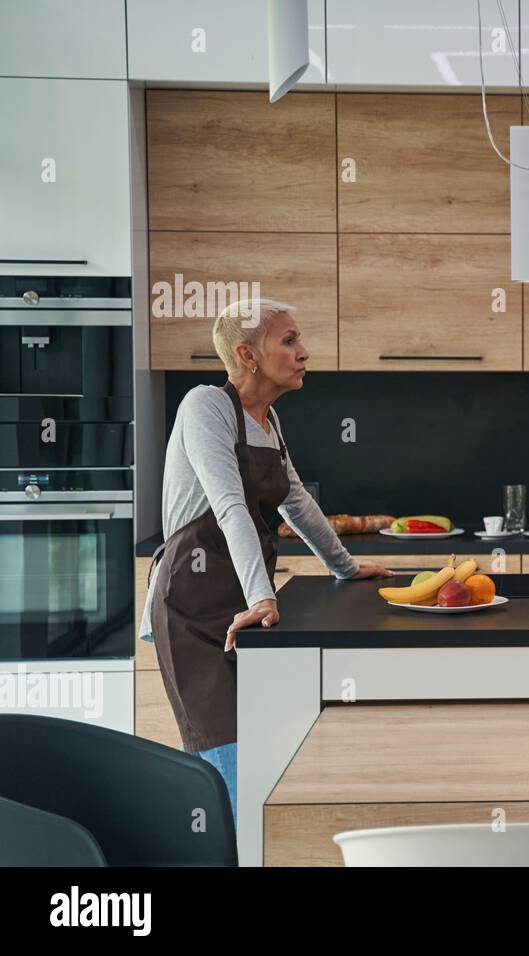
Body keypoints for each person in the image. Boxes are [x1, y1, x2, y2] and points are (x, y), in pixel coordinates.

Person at [141, 298, 392, 824]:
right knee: (228, 760)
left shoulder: (267, 420)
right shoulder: (204, 406)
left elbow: (295, 501)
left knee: (266, 759)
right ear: (246, 355)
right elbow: (229, 504)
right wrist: (262, 595)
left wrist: (345, 566)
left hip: (247, 611)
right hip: (193, 611)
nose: (304, 352)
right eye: (289, 341)